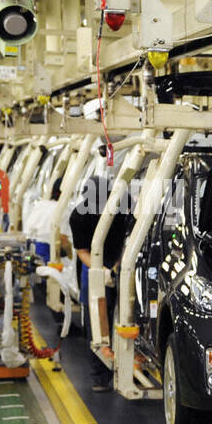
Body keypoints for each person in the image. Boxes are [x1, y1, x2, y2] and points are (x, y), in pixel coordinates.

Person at [68, 164, 128, 392]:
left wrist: (117, 266)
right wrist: (100, 270)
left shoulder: (121, 211)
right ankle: (99, 375)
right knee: (97, 320)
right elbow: (82, 250)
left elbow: (126, 242)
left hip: (118, 264)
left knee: (123, 316)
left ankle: (126, 366)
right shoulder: (79, 216)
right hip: (92, 268)